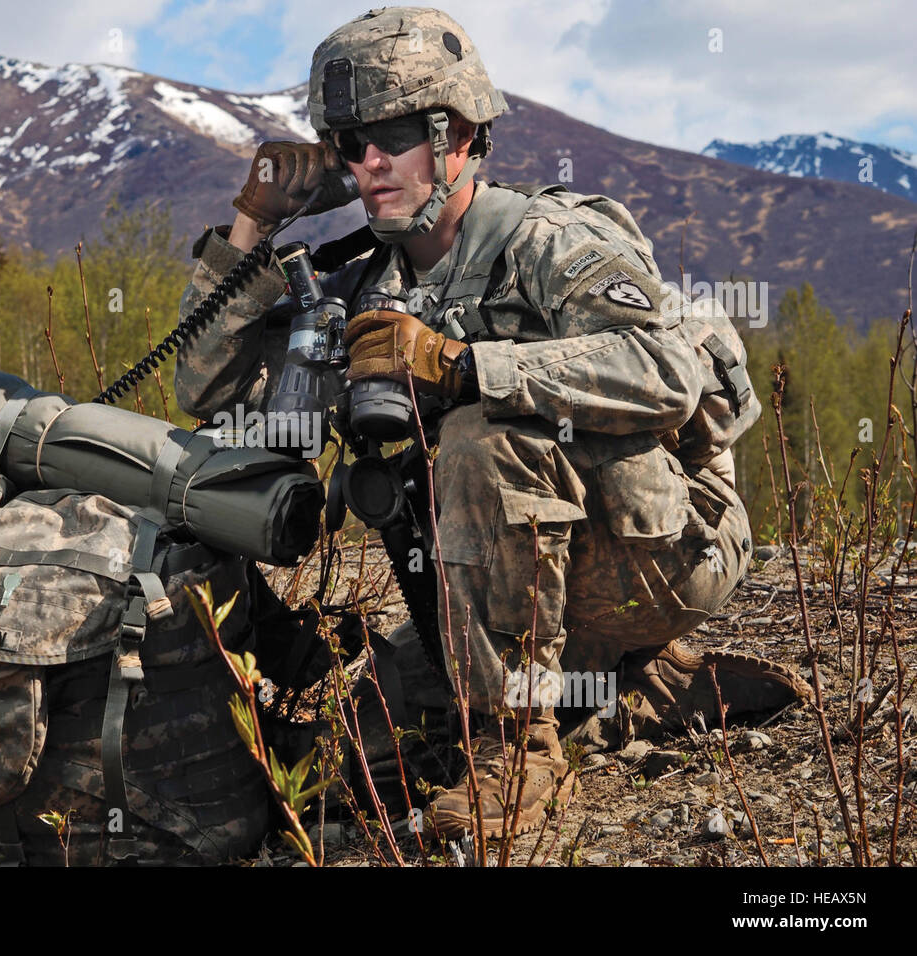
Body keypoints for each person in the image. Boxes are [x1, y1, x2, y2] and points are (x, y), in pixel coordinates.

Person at [173, 6, 808, 841]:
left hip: (665, 549)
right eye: (348, 145)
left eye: (392, 134)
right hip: (489, 599)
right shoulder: (362, 292)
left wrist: (465, 367)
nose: (370, 163)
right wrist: (253, 226)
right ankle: (627, 690)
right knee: (342, 764)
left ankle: (520, 751)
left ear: (458, 136)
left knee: (479, 435)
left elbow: (667, 375)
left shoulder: (548, 240)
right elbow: (208, 393)